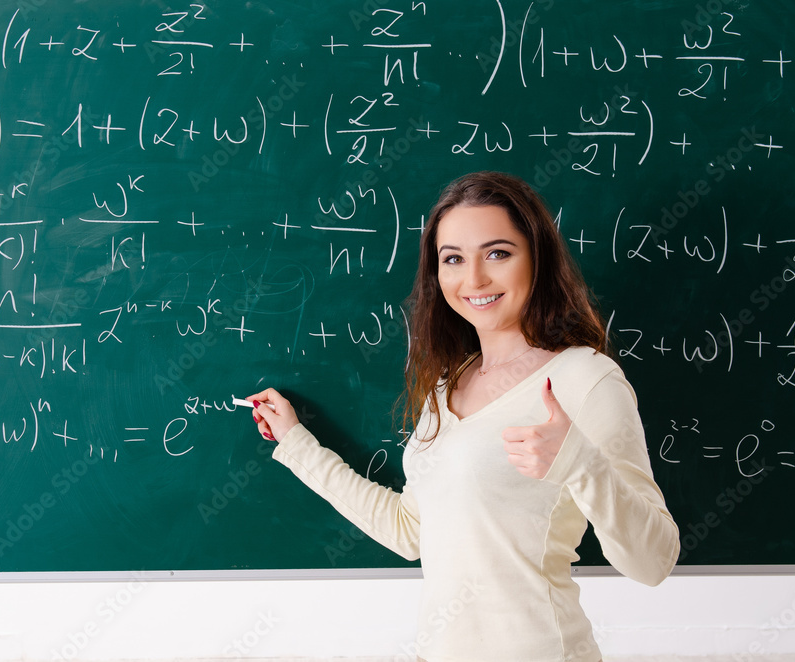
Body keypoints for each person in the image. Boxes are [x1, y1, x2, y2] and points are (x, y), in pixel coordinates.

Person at [245, 171, 680, 661]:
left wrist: (579, 462)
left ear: (537, 258)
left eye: (497, 253)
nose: (473, 279)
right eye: (453, 259)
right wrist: (297, 442)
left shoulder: (585, 378)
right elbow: (409, 530)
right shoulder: (444, 388)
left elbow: (654, 561)